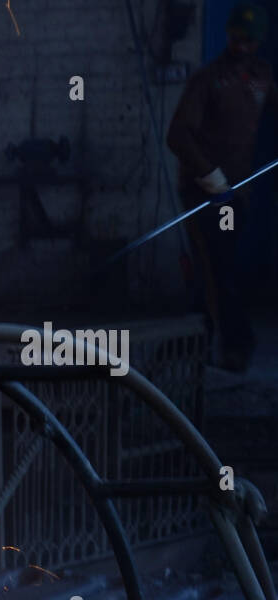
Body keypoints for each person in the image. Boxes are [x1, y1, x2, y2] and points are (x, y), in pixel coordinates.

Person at [167, 1, 277, 373]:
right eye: (234, 37)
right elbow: (178, 135)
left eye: (247, 39)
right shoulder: (208, 80)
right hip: (205, 193)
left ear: (258, 40)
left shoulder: (262, 77)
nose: (239, 45)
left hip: (237, 194)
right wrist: (212, 178)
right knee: (219, 270)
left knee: (215, 270)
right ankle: (237, 344)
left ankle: (188, 346)